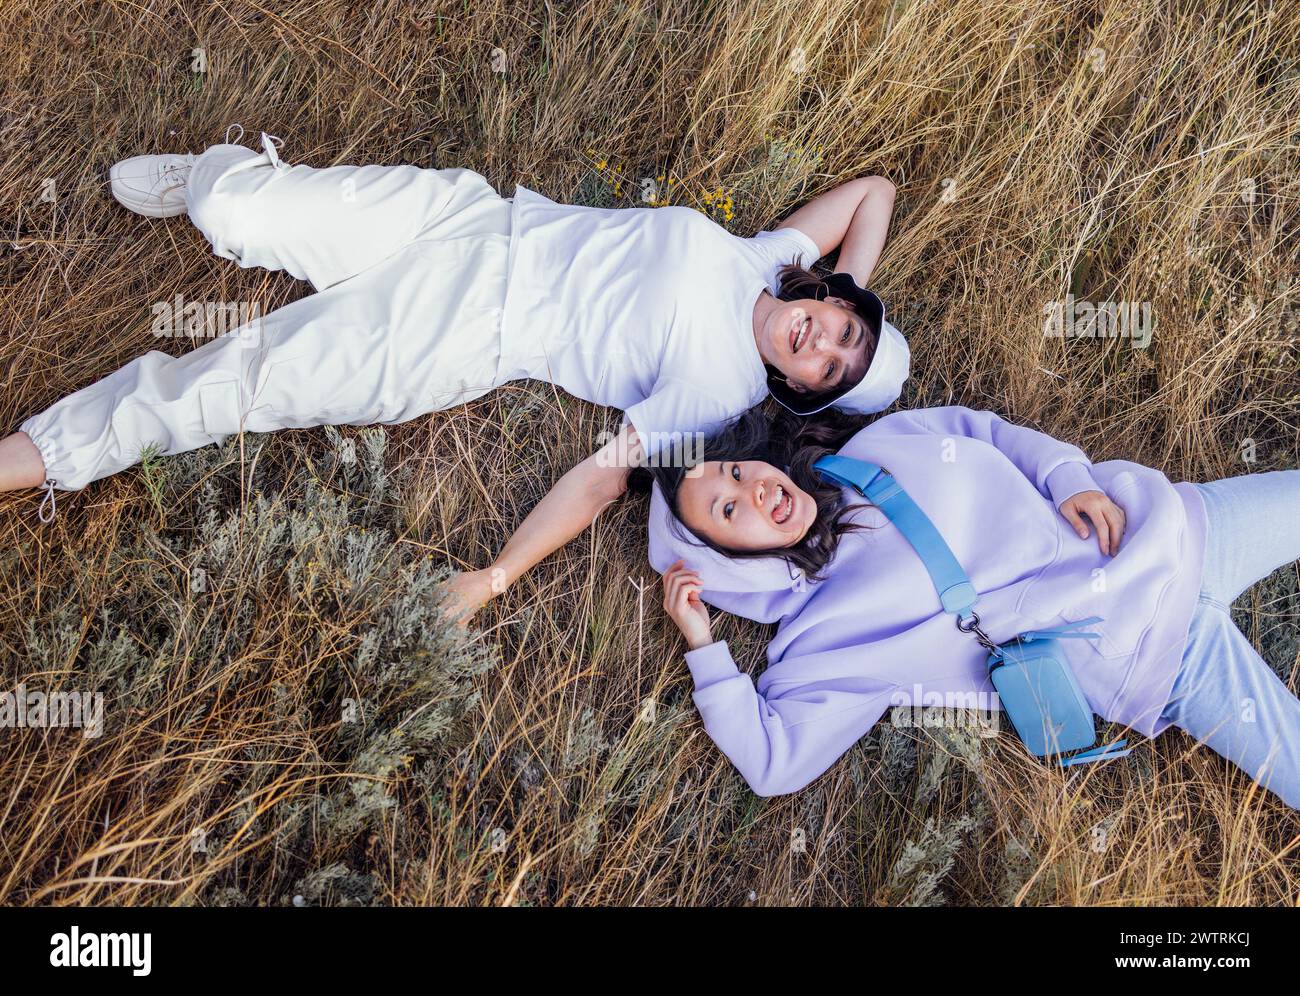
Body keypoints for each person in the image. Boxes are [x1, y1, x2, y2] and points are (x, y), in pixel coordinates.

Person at [0, 127, 908, 622]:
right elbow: (877, 194)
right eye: (842, 332)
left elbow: (599, 481)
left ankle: (39, 453)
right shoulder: (770, 257)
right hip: (470, 218)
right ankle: (214, 180)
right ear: (833, 298)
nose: (821, 344)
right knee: (234, 203)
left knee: (242, 382)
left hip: (459, 329)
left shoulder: (722, 393)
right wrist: (851, 287)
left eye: (831, 371)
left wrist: (496, 576)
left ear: (801, 394)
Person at [645, 407, 1300, 806]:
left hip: (1179, 525)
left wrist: (1065, 475)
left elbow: (982, 430)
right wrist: (705, 652)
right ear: (726, 559)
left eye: (735, 470)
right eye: (727, 511)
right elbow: (771, 763)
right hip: (1166, 658)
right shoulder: (821, 642)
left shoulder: (867, 454)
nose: (753, 490)